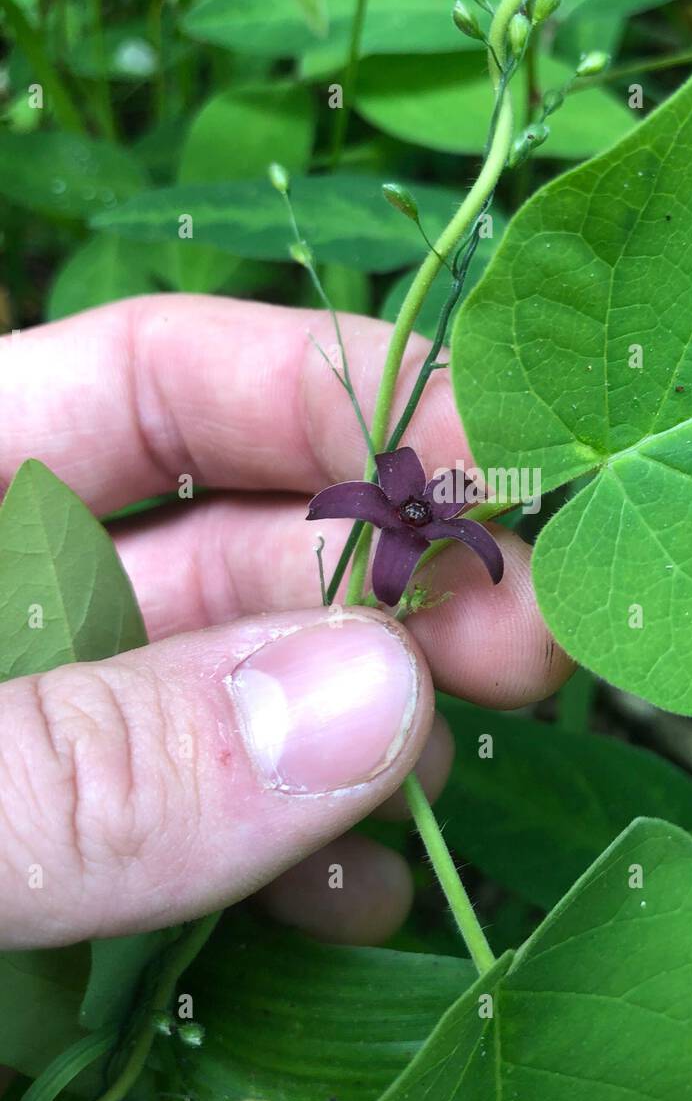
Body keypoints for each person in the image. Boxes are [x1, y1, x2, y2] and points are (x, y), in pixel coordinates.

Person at [0, 294, 572, 952]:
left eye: (424, 515)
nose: (416, 513)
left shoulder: (419, 519)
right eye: (407, 508)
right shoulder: (382, 512)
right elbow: (358, 505)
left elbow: (447, 527)